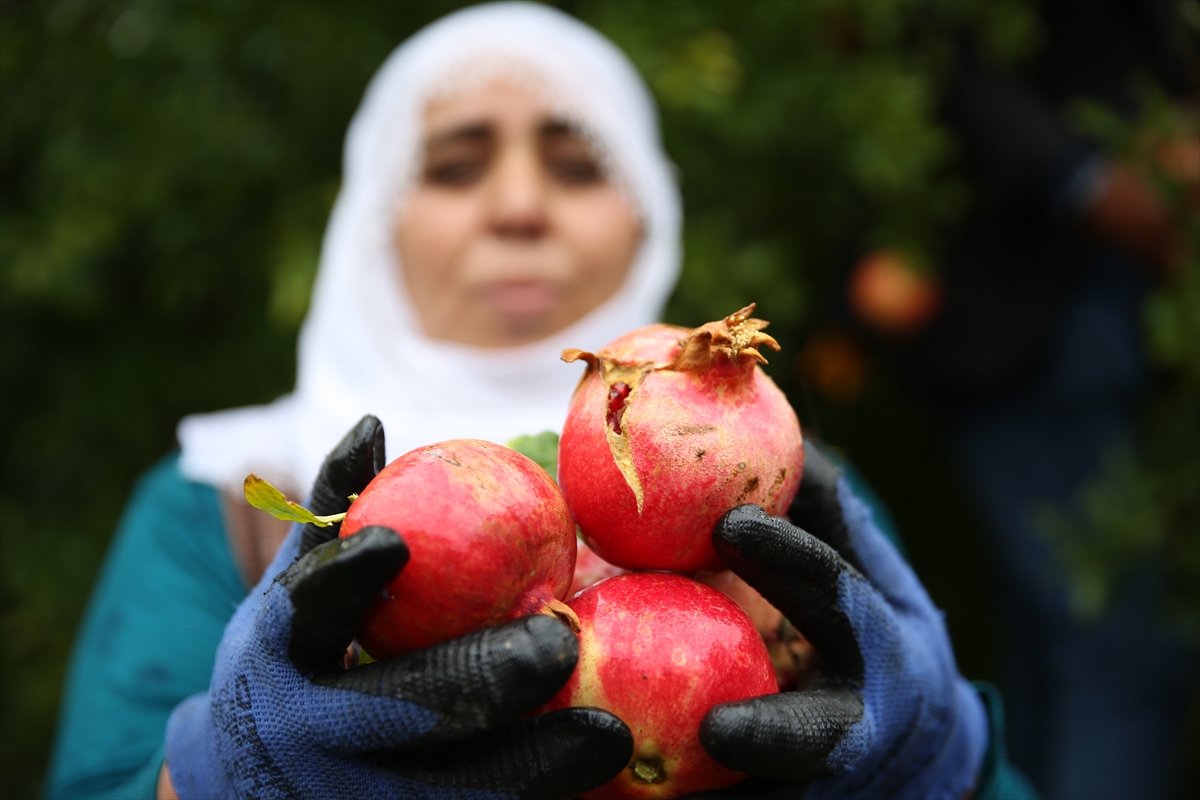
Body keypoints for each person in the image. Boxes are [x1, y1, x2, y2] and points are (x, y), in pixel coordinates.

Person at [44, 4, 1029, 798]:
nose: (520, 204)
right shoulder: (213, 504)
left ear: (645, 213)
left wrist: (944, 759)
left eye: (578, 162)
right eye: (456, 164)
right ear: (376, 221)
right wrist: (231, 775)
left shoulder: (798, 496)